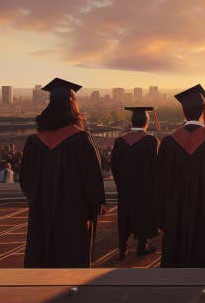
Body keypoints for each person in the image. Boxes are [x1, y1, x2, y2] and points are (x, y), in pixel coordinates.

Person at [20, 78, 106, 268]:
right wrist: (93, 207)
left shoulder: (34, 142)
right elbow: (92, 180)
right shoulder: (81, 139)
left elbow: (25, 180)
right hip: (73, 215)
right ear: (72, 105)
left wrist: (40, 200)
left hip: (41, 213)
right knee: (71, 260)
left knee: (43, 257)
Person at [156, 84, 205, 267]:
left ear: (183, 110)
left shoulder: (168, 143)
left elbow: (160, 184)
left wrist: (162, 217)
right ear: (203, 110)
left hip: (176, 213)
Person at [110, 106, 159, 260]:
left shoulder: (119, 142)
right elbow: (155, 168)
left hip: (125, 189)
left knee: (124, 216)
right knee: (143, 215)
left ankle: (122, 250)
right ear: (146, 121)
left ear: (132, 122)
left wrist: (121, 184)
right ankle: (141, 247)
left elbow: (114, 166)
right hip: (144, 189)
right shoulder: (151, 141)